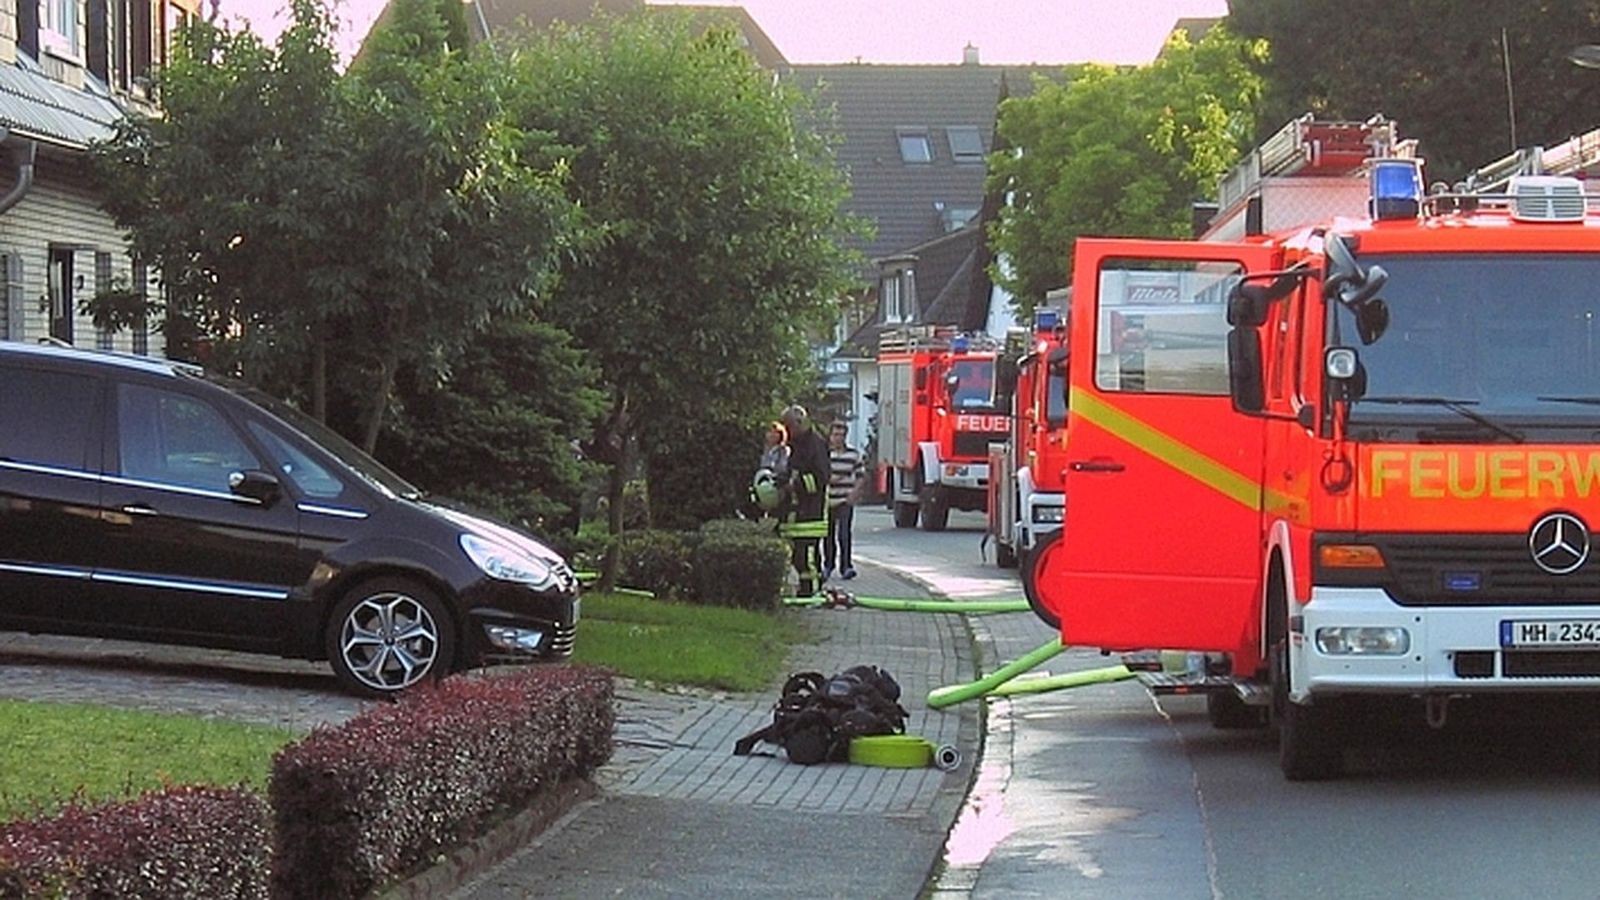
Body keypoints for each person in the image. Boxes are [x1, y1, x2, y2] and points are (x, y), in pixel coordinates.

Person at [778, 405, 830, 596]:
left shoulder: (815, 445)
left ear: (799, 423)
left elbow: (821, 478)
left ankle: (813, 593)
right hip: (794, 514)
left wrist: (796, 484)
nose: (786, 430)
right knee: (796, 557)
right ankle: (803, 591)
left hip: (810, 514)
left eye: (789, 425)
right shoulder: (793, 445)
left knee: (808, 557)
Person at [824, 421, 864, 581]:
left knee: (844, 534)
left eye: (841, 435)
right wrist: (835, 478)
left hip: (845, 500)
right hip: (828, 500)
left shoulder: (853, 455)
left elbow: (861, 475)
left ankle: (846, 566)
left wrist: (855, 493)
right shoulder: (825, 455)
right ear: (830, 436)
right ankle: (828, 565)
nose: (838, 438)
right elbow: (823, 475)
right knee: (828, 535)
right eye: (835, 435)